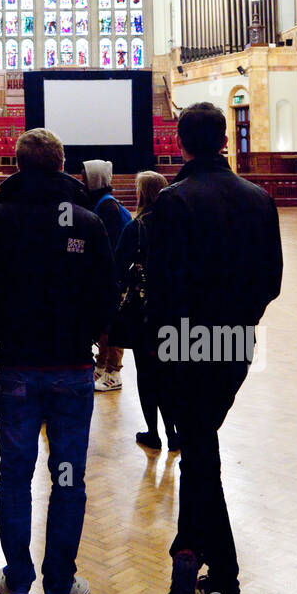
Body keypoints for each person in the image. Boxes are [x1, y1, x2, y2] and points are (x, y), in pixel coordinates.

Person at [0, 129, 117, 594]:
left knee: (15, 476)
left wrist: (8, 324)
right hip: (72, 371)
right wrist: (81, 334)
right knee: (68, 479)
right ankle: (60, 588)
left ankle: (18, 583)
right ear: (61, 163)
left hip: (16, 370)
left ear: (17, 163)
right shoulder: (88, 223)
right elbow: (108, 298)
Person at [147, 102, 283, 594]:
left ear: (181, 143)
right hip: (234, 345)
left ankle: (199, 560)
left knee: (201, 450)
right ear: (225, 139)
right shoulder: (260, 199)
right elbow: (270, 281)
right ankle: (218, 579)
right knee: (202, 449)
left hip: (183, 345)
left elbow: (161, 292)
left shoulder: (174, 203)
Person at [113, 170, 178, 451]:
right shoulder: (178, 223)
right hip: (174, 307)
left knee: (146, 372)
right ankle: (175, 432)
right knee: (171, 372)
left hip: (143, 310)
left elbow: (117, 266)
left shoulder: (136, 226)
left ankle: (153, 432)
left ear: (142, 193)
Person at [82, 158, 132, 393]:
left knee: (113, 325)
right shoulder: (102, 203)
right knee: (103, 325)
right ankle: (101, 366)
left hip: (114, 277)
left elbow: (109, 247)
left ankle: (114, 372)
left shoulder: (107, 206)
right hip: (106, 276)